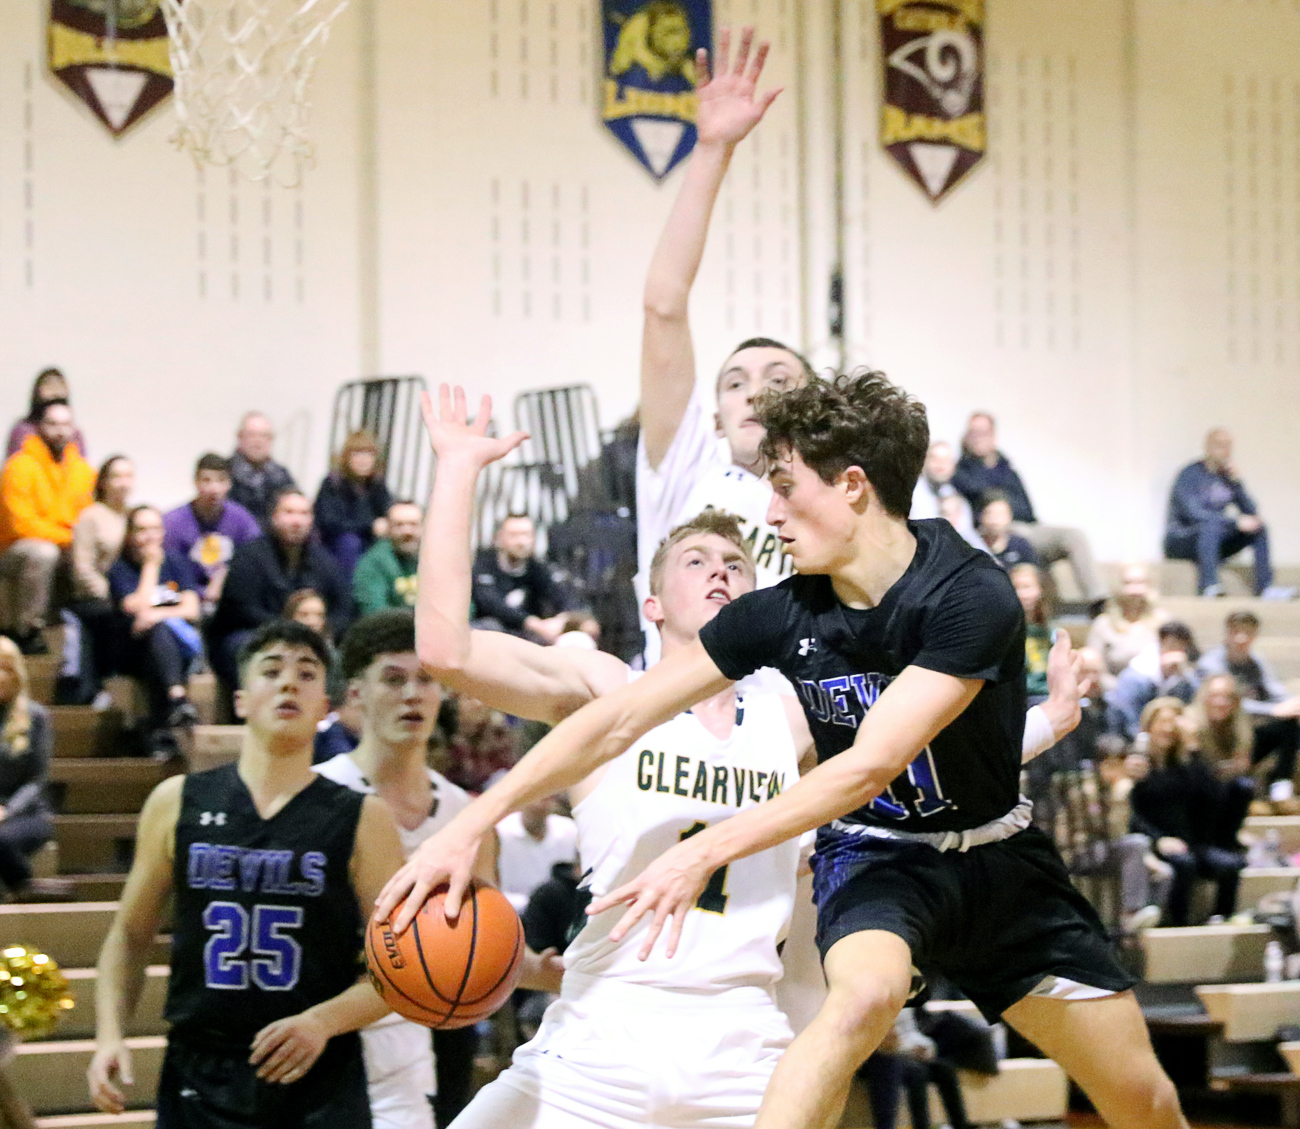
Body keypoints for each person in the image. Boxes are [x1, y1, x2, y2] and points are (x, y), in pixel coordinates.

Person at [379, 373, 1173, 1129]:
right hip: (620, 1021)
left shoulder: (802, 696)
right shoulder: (625, 677)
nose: (732, 562)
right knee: (861, 998)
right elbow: (473, 661)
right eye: (697, 560)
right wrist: (467, 823)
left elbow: (890, 753)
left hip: (755, 1020)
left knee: (1139, 1090)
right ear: (649, 603)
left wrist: (1041, 725)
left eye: (738, 561)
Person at [86, 619, 405, 1126]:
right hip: (201, 1071)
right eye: (271, 671)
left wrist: (322, 1021)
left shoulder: (364, 819)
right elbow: (129, 934)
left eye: (307, 673)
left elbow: (400, 970)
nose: (288, 683)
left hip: (318, 1071)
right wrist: (108, 1035)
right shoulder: (177, 802)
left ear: (325, 708)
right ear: (239, 701)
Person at [313, 610, 522, 1129]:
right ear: (355, 693)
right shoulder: (313, 798)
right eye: (393, 679)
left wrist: (536, 968)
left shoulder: (470, 818)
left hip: (428, 1050)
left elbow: (479, 945)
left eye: (426, 680)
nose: (412, 694)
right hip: (325, 1040)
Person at [634, 28, 803, 664]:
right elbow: (663, 305)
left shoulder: (838, 501)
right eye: (736, 382)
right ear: (714, 416)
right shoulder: (691, 466)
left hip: (782, 732)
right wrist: (712, 151)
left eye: (780, 381)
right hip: (667, 716)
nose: (757, 391)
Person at [953, 412, 1106, 607]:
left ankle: (1099, 601)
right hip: (999, 530)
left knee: (1074, 535)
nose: (979, 437)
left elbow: (1025, 506)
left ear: (993, 435)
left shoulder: (1006, 467)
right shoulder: (962, 470)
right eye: (974, 432)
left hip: (1028, 526)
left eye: (984, 432)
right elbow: (983, 500)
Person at [208, 488, 350, 694]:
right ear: (274, 517)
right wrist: (289, 630)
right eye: (289, 512)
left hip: (310, 637)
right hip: (256, 636)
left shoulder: (324, 560)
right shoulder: (249, 556)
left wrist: (324, 628)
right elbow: (241, 610)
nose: (297, 521)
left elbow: (343, 608)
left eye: (304, 514)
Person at [1128, 698, 1248, 927]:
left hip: (1189, 842)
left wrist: (1193, 748)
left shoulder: (1183, 763)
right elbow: (1133, 815)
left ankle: (1221, 919)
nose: (1168, 728)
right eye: (1162, 722)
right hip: (1154, 842)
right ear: (1149, 726)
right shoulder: (1139, 764)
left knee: (1232, 864)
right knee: (1184, 864)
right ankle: (1178, 924)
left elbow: (1214, 798)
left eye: (1174, 722)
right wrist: (1158, 839)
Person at [106, 506, 203, 758]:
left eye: (155, 529)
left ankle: (165, 724)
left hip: (177, 647)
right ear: (130, 535)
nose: (150, 536)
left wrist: (157, 614)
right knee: (156, 636)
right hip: (132, 650)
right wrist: (151, 567)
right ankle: (176, 702)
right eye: (141, 530)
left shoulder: (177, 561)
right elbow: (136, 610)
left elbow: (192, 609)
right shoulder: (119, 568)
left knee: (160, 632)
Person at [0, 399, 96, 653]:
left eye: (66, 424)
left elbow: (89, 517)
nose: (60, 431)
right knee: (44, 552)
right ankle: (27, 630)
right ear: (39, 427)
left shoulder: (83, 471)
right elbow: (22, 525)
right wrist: (68, 539)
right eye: (53, 424)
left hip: (67, 543)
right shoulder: (19, 466)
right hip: (16, 550)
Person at [1164, 428, 1294, 600]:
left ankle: (1265, 588)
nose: (1224, 451)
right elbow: (1193, 513)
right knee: (1210, 526)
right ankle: (1209, 585)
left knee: (1258, 527)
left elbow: (1251, 512)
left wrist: (1238, 483)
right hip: (1181, 541)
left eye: (1228, 446)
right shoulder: (1190, 474)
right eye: (1219, 445)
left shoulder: (1227, 478)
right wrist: (1234, 523)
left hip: (1213, 542)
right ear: (1208, 447)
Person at [1199, 610, 1300, 784]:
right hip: (1221, 731)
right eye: (1236, 632)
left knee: (1290, 725)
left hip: (1249, 728)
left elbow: (1274, 690)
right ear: (1227, 633)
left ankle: (1280, 784)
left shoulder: (1257, 661)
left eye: (1248, 633)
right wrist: (1273, 710)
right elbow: (1226, 702)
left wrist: (1294, 702)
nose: (1241, 638)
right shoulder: (1210, 664)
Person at [64, 455, 134, 704]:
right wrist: (112, 593)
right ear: (103, 482)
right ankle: (100, 685)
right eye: (117, 476)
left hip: (128, 593)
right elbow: (82, 569)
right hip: (94, 597)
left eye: (128, 476)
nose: (123, 483)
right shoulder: (90, 516)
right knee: (111, 615)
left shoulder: (134, 516)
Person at [163, 454, 261, 613]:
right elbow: (166, 576)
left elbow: (255, 562)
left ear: (229, 483)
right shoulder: (173, 523)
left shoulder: (243, 520)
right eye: (206, 480)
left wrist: (226, 580)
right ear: (195, 482)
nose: (213, 488)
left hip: (229, 603)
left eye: (221, 480)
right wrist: (196, 594)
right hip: (182, 601)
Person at [0, 636, 54, 896]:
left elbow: (36, 780)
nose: (0, 676)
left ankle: (25, 888)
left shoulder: (36, 717)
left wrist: (7, 810)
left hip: (27, 813)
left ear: (17, 673)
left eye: (6, 668)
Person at [471, 513, 571, 642]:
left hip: (529, 638)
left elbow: (563, 597)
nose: (521, 542)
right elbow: (489, 603)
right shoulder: (484, 565)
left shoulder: (538, 568)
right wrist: (532, 623)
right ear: (499, 538)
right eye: (514, 535)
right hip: (492, 634)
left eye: (526, 535)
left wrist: (563, 620)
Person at [314, 431, 393, 585]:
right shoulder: (332, 484)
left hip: (369, 542)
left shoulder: (377, 485)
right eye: (357, 454)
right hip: (336, 545)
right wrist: (370, 526)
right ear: (347, 457)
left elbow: (388, 512)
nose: (363, 460)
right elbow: (329, 522)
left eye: (368, 454)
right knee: (349, 542)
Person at [1105, 621, 1201, 743]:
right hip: (1135, 740)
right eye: (1171, 646)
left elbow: (1197, 702)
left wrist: (1186, 674)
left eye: (1181, 647)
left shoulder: (1186, 677)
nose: (1176, 653)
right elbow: (1128, 719)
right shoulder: (1134, 677)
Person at [1086, 564, 1168, 691]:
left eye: (1141, 583)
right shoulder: (1103, 624)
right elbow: (1094, 666)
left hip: (1157, 688)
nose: (1135, 589)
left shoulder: (1163, 621)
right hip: (1116, 691)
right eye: (1128, 583)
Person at [496, 796, 578, 914]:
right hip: (513, 910)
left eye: (546, 799)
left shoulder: (568, 830)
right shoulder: (501, 832)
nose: (539, 804)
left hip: (558, 910)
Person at [228, 412, 297, 530]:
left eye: (264, 436)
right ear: (240, 437)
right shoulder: (225, 472)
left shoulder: (281, 475)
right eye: (252, 435)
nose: (258, 441)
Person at [352, 501, 422, 617]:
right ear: (388, 528)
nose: (407, 532)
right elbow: (376, 612)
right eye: (399, 525)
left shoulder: (437, 561)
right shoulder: (373, 564)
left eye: (413, 524)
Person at [909, 441, 982, 550]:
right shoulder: (908, 494)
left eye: (946, 460)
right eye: (935, 458)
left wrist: (991, 562)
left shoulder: (956, 498)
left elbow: (968, 534)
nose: (940, 464)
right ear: (923, 462)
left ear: (953, 466)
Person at [6, 368, 87, 459]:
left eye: (58, 387)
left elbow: (81, 466)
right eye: (49, 387)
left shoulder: (75, 434)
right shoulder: (23, 430)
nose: (55, 393)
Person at [1010, 563, 1053, 703]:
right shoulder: (1005, 631)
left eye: (1027, 587)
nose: (1022, 594)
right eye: (1016, 588)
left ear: (1040, 590)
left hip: (1049, 693)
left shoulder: (1049, 629)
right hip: (1022, 697)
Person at [977, 493, 1038, 571]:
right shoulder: (973, 547)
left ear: (1010, 516)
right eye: (989, 513)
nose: (995, 520)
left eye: (1000, 514)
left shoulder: (1020, 545)